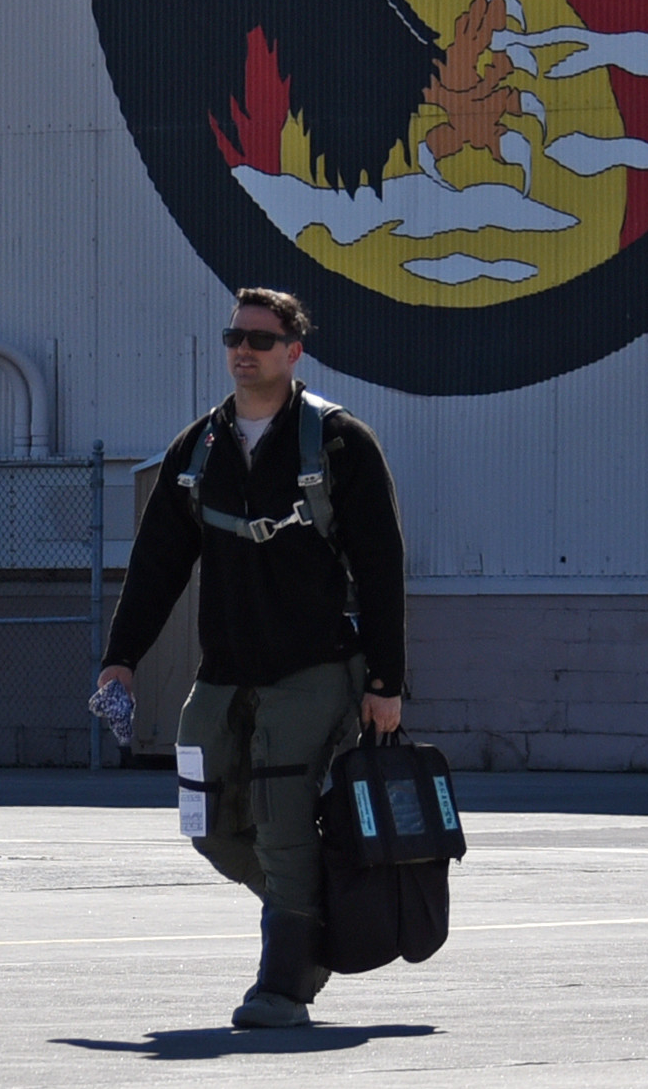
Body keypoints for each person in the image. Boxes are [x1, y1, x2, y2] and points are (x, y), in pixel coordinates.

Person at [95, 288, 411, 1031]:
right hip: (225, 670)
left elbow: (383, 566)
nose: (244, 349)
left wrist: (387, 680)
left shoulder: (338, 443)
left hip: (314, 668)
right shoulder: (198, 450)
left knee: (281, 818)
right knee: (207, 820)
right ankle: (319, 913)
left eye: (261, 340)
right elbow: (156, 564)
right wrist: (121, 659)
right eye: (234, 336)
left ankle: (285, 981)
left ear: (294, 351)